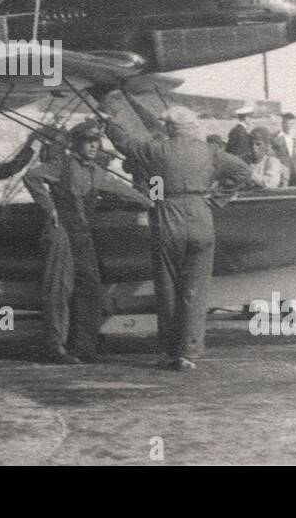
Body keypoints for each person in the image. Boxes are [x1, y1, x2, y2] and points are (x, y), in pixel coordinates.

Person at [103, 93, 252, 370]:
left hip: (167, 215)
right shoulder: (210, 152)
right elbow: (242, 170)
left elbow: (125, 145)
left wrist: (110, 124)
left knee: (168, 285)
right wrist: (218, 197)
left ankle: (170, 350)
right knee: (196, 287)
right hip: (200, 214)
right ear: (191, 127)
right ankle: (190, 351)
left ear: (170, 128)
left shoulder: (157, 150)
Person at [23, 120, 153, 364]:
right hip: (62, 232)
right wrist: (49, 208)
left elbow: (121, 188)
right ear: (77, 144)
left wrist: (152, 202)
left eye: (96, 142)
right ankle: (56, 348)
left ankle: (84, 347)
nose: (93, 147)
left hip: (82, 235)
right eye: (88, 142)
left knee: (90, 287)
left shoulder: (96, 172)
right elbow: (32, 177)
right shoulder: (61, 165)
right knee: (59, 289)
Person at [272, 111, 296, 185]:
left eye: (291, 124)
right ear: (282, 123)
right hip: (281, 170)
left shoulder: (295, 137)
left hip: (293, 169)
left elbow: (295, 153)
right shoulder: (276, 137)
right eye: (286, 123)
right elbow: (272, 154)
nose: (288, 126)